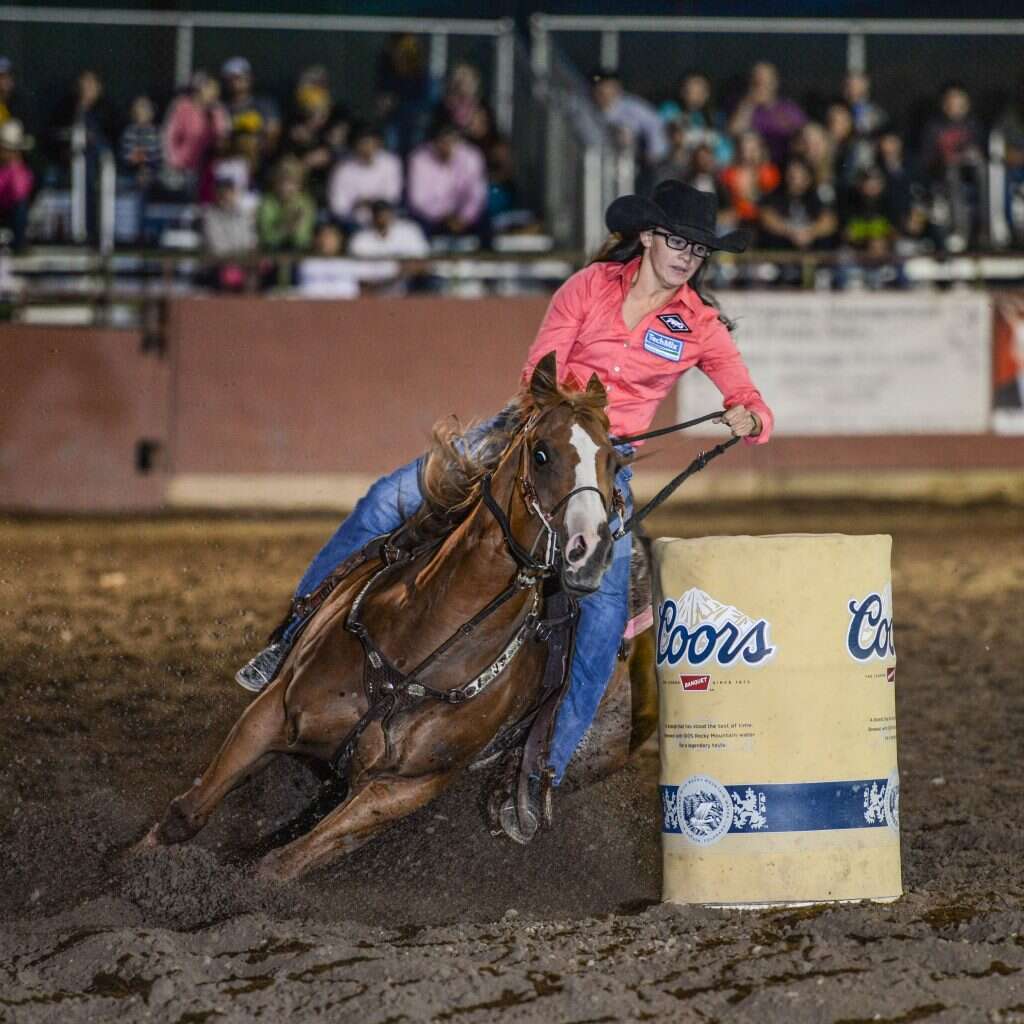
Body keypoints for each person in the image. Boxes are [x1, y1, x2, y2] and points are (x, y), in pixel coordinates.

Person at [235, 179, 773, 799]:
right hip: (527, 434)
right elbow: (536, 374)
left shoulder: (699, 326)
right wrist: (558, 422)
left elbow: (753, 402)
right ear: (649, 237)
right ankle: (288, 639)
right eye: (677, 240)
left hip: (600, 468)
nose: (685, 256)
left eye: (698, 249)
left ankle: (546, 766)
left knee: (602, 615)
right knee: (386, 502)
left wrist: (749, 418)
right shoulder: (586, 288)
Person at [406, 118, 487, 238]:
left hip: (464, 216)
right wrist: (443, 216)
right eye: (442, 141)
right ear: (433, 142)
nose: (446, 145)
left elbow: (477, 194)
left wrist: (464, 218)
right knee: (417, 228)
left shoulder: (472, 156)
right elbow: (418, 200)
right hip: (432, 217)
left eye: (451, 141)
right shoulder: (419, 159)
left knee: (486, 220)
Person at [162, 71, 230, 195]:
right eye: (210, 88)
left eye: (215, 89)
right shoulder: (182, 106)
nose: (214, 92)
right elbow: (169, 136)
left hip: (209, 170)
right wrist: (173, 161)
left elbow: (224, 137)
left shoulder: (218, 111)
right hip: (181, 169)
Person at [728, 61, 807, 165]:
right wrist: (749, 104)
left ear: (774, 83)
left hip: (785, 163)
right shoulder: (745, 108)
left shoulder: (789, 109)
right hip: (753, 165)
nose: (761, 84)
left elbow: (803, 134)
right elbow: (733, 134)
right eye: (757, 81)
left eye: (766, 81)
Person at [327, 124, 402, 226]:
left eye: (371, 142)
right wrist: (357, 204)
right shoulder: (342, 170)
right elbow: (338, 207)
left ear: (378, 142)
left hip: (385, 219)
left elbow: (393, 196)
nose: (367, 148)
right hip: (353, 224)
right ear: (355, 145)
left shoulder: (391, 163)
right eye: (363, 143)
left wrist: (371, 203)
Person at [758, 155, 839, 251]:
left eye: (799, 174)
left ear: (808, 176)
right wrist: (790, 232)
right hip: (780, 252)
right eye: (791, 174)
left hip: (815, 254)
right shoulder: (775, 195)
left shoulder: (818, 195)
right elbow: (767, 218)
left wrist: (811, 232)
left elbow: (829, 222)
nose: (795, 178)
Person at [591, 68, 667, 168]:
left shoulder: (631, 107)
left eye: (608, 86)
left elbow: (655, 123)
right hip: (597, 162)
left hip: (631, 165)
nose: (604, 90)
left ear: (617, 88)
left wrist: (653, 154)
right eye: (599, 86)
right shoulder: (587, 107)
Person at [256, 156, 316, 252]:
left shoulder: (305, 202)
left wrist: (290, 226)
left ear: (299, 184)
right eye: (281, 182)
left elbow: (302, 239)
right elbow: (267, 237)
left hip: (298, 251)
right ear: (275, 183)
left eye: (291, 183)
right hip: (272, 251)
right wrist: (287, 226)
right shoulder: (268, 201)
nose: (285, 187)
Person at [348, 199, 429, 258]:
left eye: (385, 214)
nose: (382, 219)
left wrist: (396, 278)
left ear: (392, 214)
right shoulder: (360, 238)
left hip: (408, 279)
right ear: (372, 217)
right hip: (372, 280)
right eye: (378, 215)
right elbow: (357, 270)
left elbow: (422, 260)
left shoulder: (410, 230)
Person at [0, 119, 34, 251]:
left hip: (9, 213)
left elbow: (19, 192)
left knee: (20, 206)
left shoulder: (21, 171)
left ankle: (19, 244)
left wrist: (15, 167)